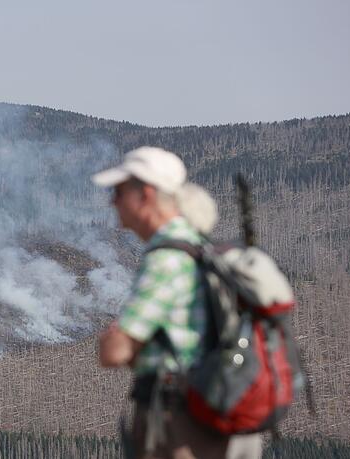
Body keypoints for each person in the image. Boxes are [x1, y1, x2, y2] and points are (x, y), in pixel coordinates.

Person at [92, 146, 261, 459]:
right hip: (208, 412)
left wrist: (117, 340)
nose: (112, 201)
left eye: (118, 191)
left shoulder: (166, 259)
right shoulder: (199, 247)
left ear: (145, 194)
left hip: (179, 423)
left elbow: (114, 352)